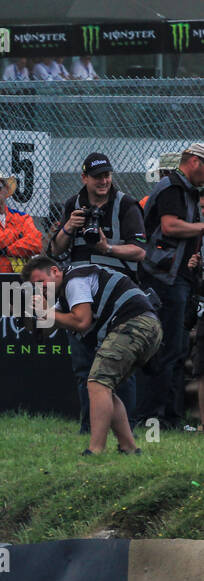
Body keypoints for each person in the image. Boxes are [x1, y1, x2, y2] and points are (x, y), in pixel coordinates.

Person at [23, 255, 162, 455]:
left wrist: (46, 312)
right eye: (34, 287)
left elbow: (81, 321)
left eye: (40, 282)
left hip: (135, 323)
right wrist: (30, 314)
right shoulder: (65, 294)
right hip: (144, 326)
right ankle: (128, 447)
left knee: (98, 384)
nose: (40, 288)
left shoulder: (75, 281)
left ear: (54, 271)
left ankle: (95, 449)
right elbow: (45, 328)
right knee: (105, 388)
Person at [47, 152, 146, 432]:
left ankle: (126, 428)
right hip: (81, 295)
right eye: (97, 176)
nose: (104, 181)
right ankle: (89, 426)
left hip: (115, 295)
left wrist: (107, 249)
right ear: (84, 178)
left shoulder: (126, 204)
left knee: (120, 366)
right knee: (84, 365)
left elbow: (140, 251)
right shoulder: (73, 204)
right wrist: (69, 226)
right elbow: (55, 250)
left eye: (107, 175)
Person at [139, 144, 204, 432]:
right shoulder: (173, 188)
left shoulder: (187, 190)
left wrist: (192, 255)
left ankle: (171, 417)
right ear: (194, 162)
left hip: (177, 276)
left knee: (176, 349)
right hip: (164, 280)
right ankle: (158, 418)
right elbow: (170, 227)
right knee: (167, 349)